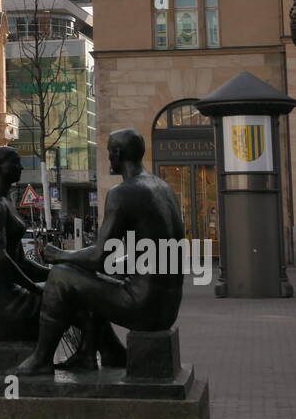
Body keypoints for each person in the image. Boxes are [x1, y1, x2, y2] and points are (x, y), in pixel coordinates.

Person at [16, 129, 185, 375]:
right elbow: (154, 254)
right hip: (167, 307)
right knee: (92, 278)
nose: (108, 159)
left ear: (116, 154)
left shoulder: (123, 193)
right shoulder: (163, 188)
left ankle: (42, 359)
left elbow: (98, 257)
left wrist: (58, 255)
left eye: (108, 153)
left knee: (61, 277)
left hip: (144, 307)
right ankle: (98, 353)